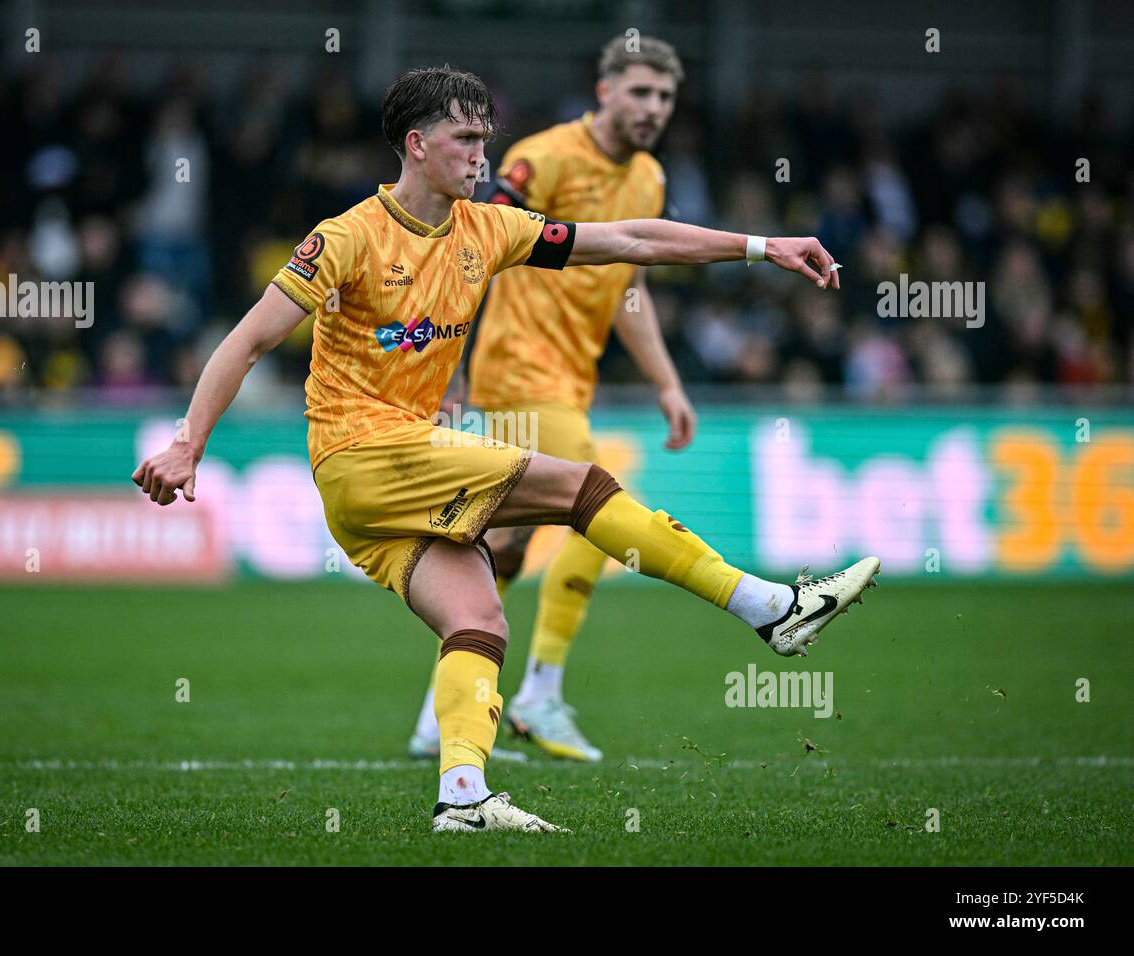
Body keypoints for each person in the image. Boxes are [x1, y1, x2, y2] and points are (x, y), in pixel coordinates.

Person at [132, 65, 877, 833]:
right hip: (364, 453)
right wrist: (188, 443)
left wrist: (761, 246)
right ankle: (771, 608)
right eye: (464, 139)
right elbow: (248, 339)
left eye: (485, 138)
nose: (480, 155)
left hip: (373, 491)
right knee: (582, 487)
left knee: (479, 620)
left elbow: (631, 239)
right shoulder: (347, 238)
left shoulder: (491, 228)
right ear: (418, 145)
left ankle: (462, 796)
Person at [408, 35, 693, 764]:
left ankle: (440, 715)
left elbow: (629, 287)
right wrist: (453, 364)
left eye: (663, 96)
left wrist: (664, 381)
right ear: (604, 92)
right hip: (515, 369)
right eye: (638, 92)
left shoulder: (651, 180)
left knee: (504, 544)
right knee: (602, 507)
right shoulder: (547, 156)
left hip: (571, 379)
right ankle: (540, 688)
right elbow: (471, 245)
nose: (652, 108)